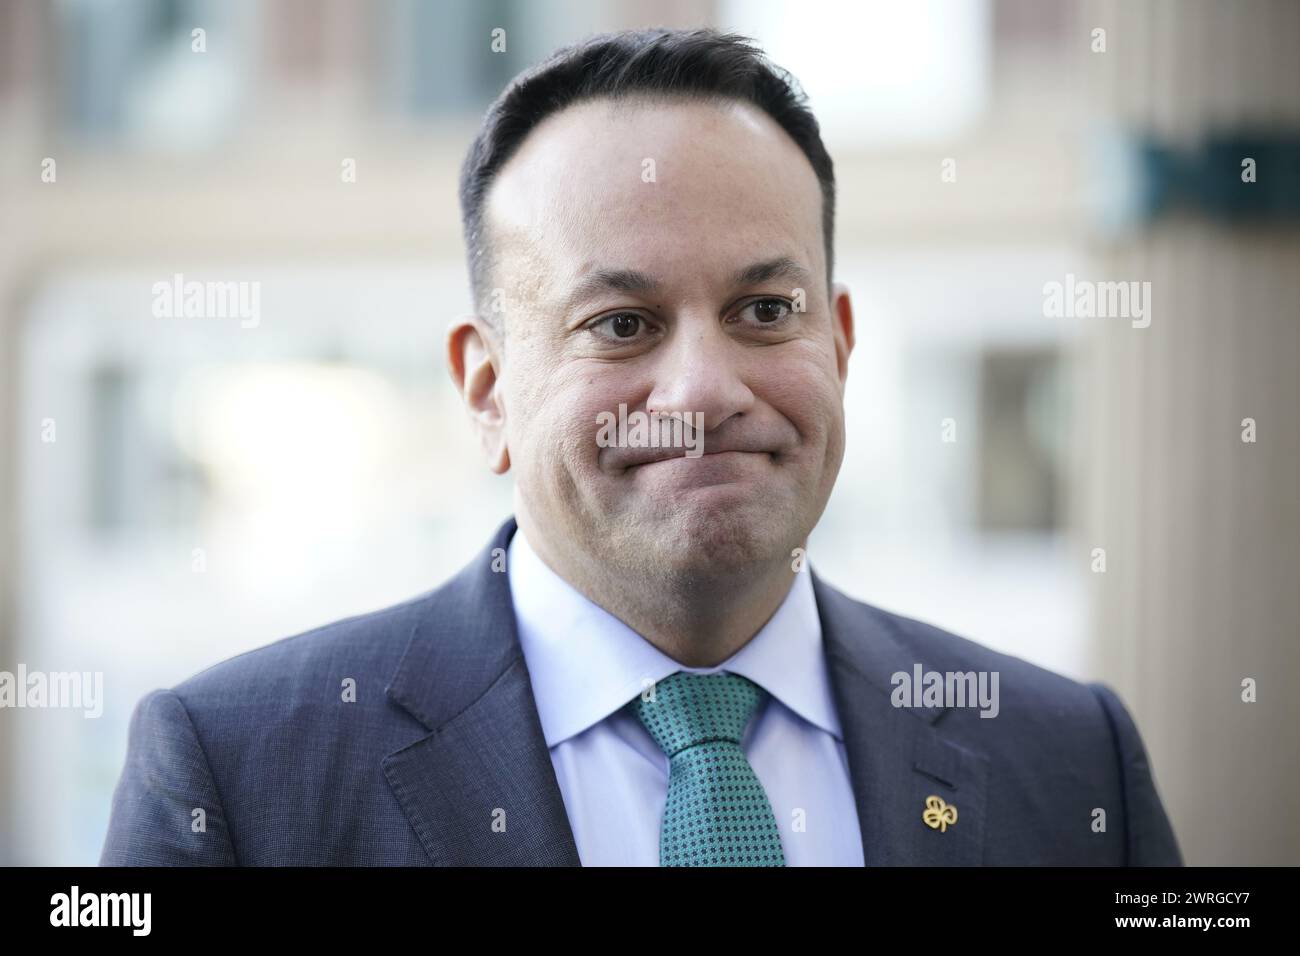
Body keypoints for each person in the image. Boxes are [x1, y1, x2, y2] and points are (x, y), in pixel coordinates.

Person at [101, 28, 1181, 867]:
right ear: (486, 391)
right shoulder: (242, 777)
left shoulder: (1067, 758)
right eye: (621, 324)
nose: (705, 389)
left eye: (765, 309)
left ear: (840, 346)